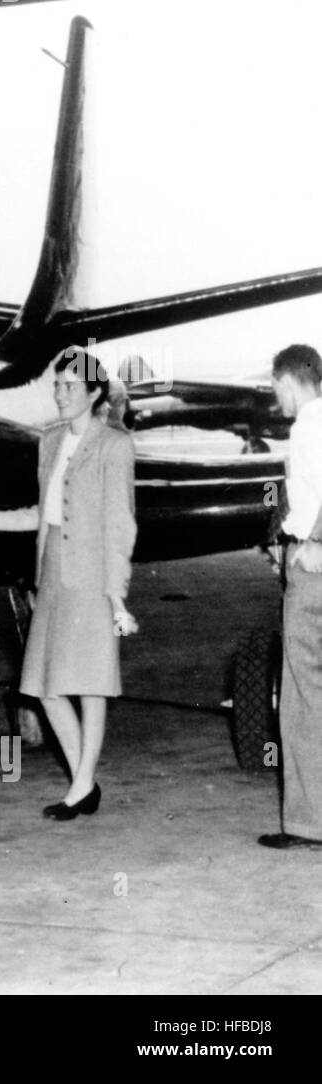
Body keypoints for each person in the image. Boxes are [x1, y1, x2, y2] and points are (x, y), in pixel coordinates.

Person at [0, 347, 138, 819]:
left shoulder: (115, 444)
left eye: (69, 387)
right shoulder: (50, 440)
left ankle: (79, 786)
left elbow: (121, 525)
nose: (60, 394)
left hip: (95, 576)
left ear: (94, 393)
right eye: (56, 385)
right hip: (53, 569)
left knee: (91, 685)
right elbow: (46, 513)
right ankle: (86, 779)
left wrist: (117, 597)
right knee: (45, 686)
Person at [259, 344, 322, 850]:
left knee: (303, 697)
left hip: (315, 571)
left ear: (288, 381)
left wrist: (313, 545)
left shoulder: (307, 426)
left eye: (274, 386)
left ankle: (309, 822)